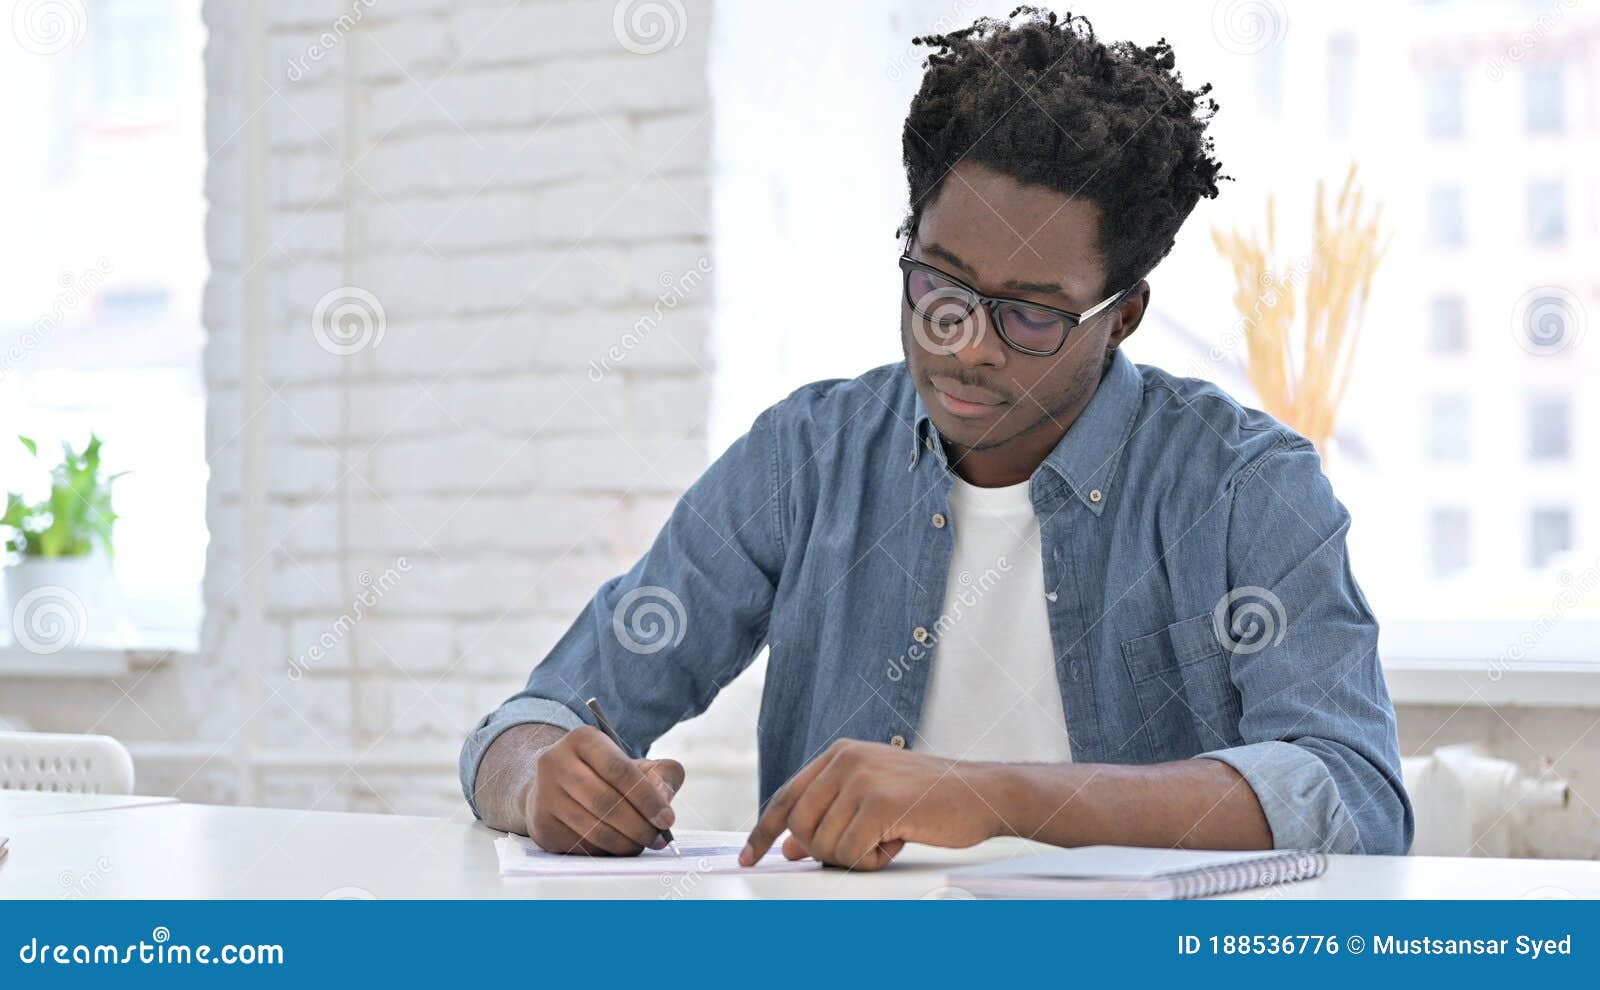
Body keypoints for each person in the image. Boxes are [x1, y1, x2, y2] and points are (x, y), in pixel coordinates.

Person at [460, 7, 1412, 870]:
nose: (965, 345)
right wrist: (543, 782)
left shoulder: (1246, 487)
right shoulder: (805, 460)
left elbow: (1353, 795)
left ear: (1123, 316)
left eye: (1030, 315)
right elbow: (530, 723)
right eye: (941, 286)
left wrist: (988, 798)